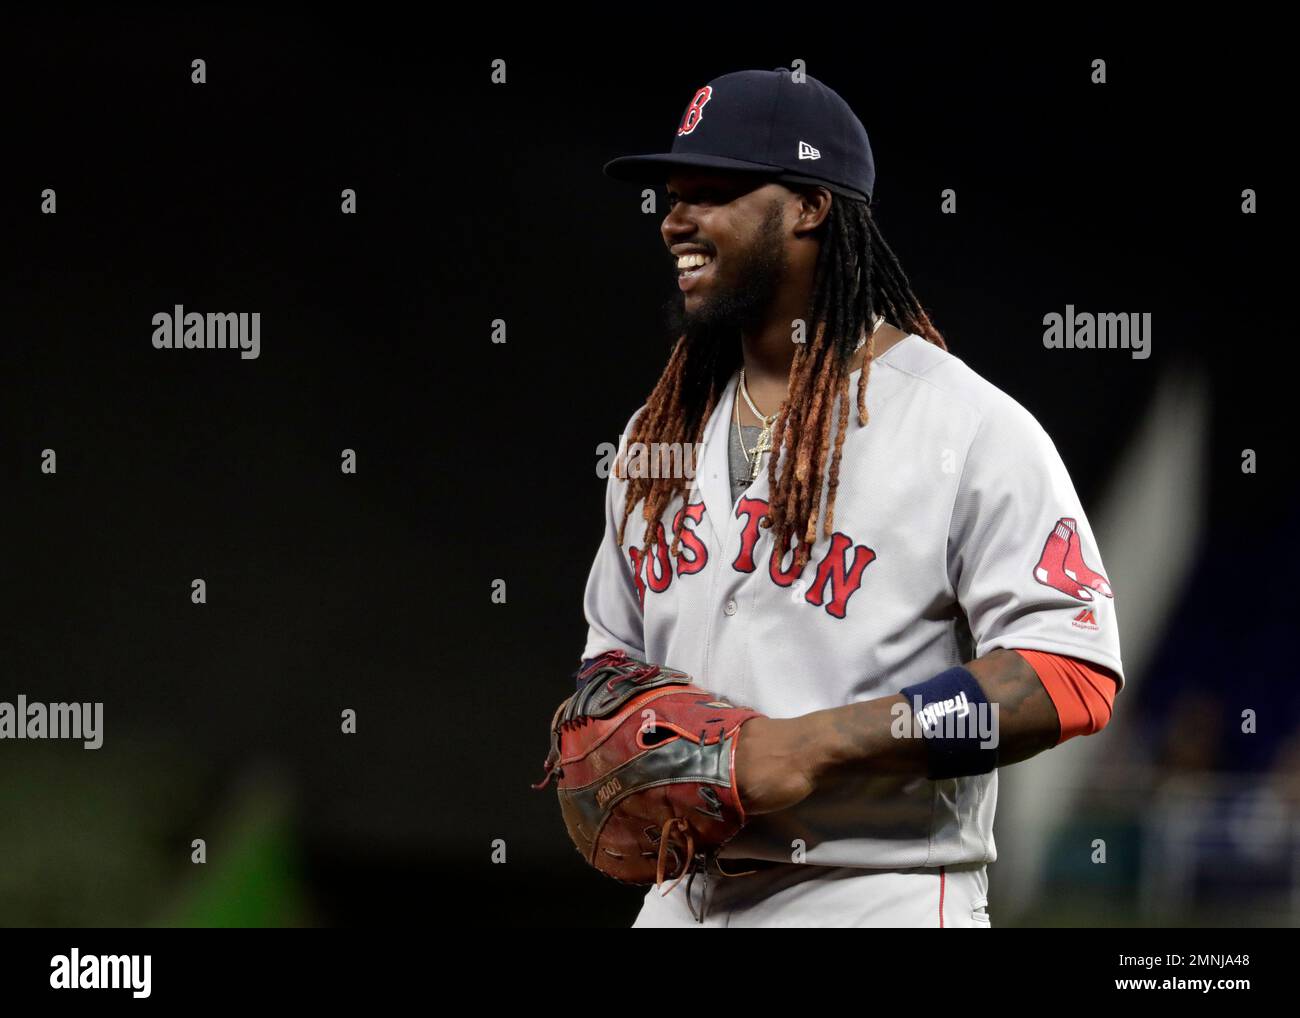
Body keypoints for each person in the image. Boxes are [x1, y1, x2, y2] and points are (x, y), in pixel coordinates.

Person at [580, 67, 1124, 927]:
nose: (673, 219)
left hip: (876, 896)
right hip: (683, 898)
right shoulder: (658, 433)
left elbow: (1070, 674)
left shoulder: (966, 426)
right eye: (672, 194)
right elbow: (609, 655)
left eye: (711, 191)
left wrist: (814, 744)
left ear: (809, 206)